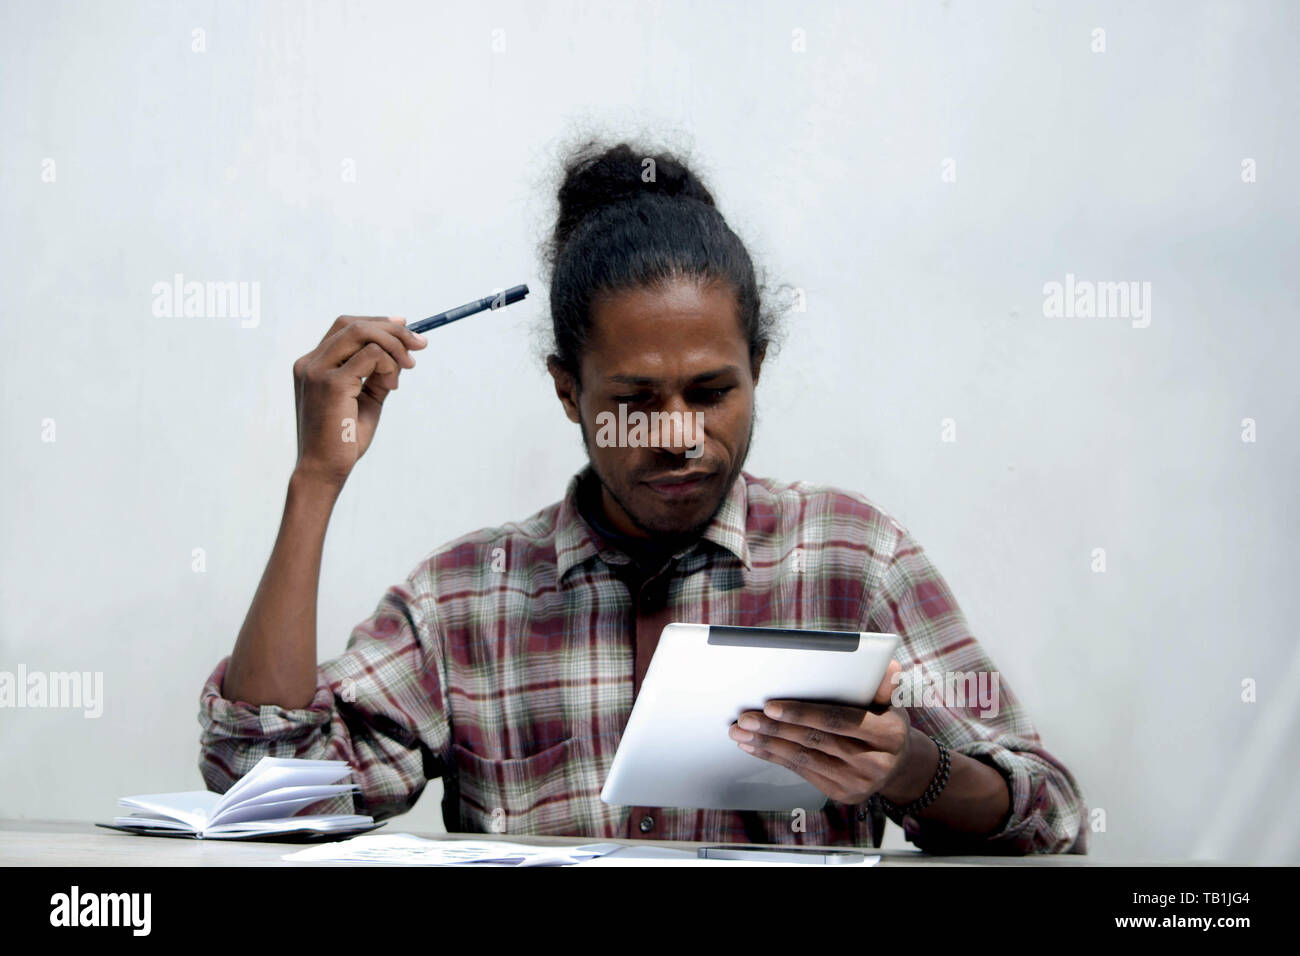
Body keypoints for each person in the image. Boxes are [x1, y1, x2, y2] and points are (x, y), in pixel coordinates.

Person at [198, 139, 1087, 853]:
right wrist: (315, 482)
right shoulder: (463, 599)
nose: (678, 436)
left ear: (757, 372)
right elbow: (260, 785)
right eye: (632, 401)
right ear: (566, 392)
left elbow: (1049, 816)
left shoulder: (851, 557)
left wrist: (909, 770)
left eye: (710, 393)